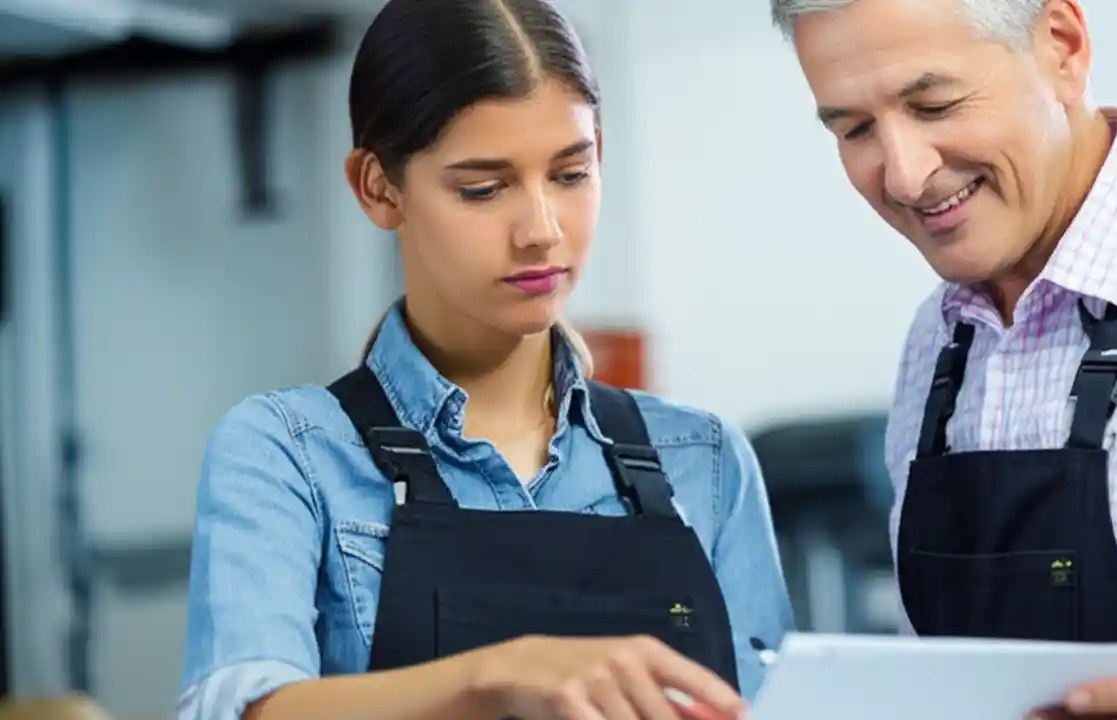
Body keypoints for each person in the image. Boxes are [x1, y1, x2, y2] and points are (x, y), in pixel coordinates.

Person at [178, 1, 795, 718]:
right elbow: (239, 708)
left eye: (571, 174)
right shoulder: (289, 454)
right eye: (483, 188)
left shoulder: (706, 461)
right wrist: (496, 675)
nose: (541, 230)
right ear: (378, 189)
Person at [770, 0, 1117, 717]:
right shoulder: (937, 342)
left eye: (935, 104)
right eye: (855, 129)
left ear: (1063, 46)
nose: (906, 177)